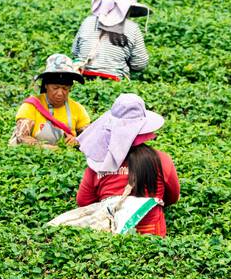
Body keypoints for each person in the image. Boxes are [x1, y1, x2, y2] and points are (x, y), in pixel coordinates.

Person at [75, 94, 179, 237]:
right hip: (152, 232)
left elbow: (84, 201)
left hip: (110, 232)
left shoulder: (98, 162)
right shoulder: (161, 159)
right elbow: (172, 196)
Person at [72, 0, 150, 82]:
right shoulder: (132, 28)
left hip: (82, 77)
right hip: (114, 80)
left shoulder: (88, 20)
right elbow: (140, 63)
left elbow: (75, 51)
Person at [12, 55, 90, 148]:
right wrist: (47, 148)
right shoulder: (30, 106)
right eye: (55, 88)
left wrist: (76, 141)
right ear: (46, 86)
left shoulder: (78, 109)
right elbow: (21, 137)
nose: (60, 93)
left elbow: (89, 138)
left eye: (65, 88)